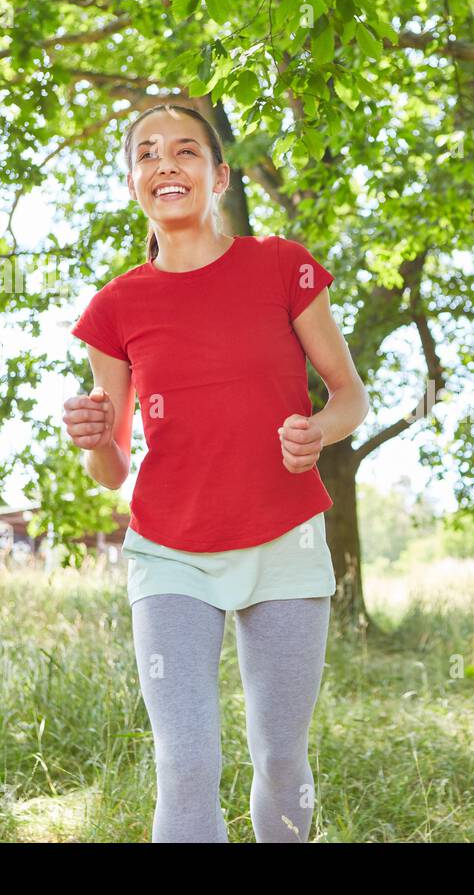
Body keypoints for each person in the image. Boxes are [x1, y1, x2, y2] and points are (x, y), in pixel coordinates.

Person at [62, 102, 368, 842]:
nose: (167, 163)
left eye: (187, 150)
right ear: (134, 181)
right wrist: (95, 437)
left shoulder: (280, 266)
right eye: (148, 154)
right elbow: (113, 470)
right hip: (170, 551)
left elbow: (350, 397)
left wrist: (317, 432)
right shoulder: (114, 309)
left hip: (286, 540)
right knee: (188, 763)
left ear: (219, 175)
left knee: (281, 757)